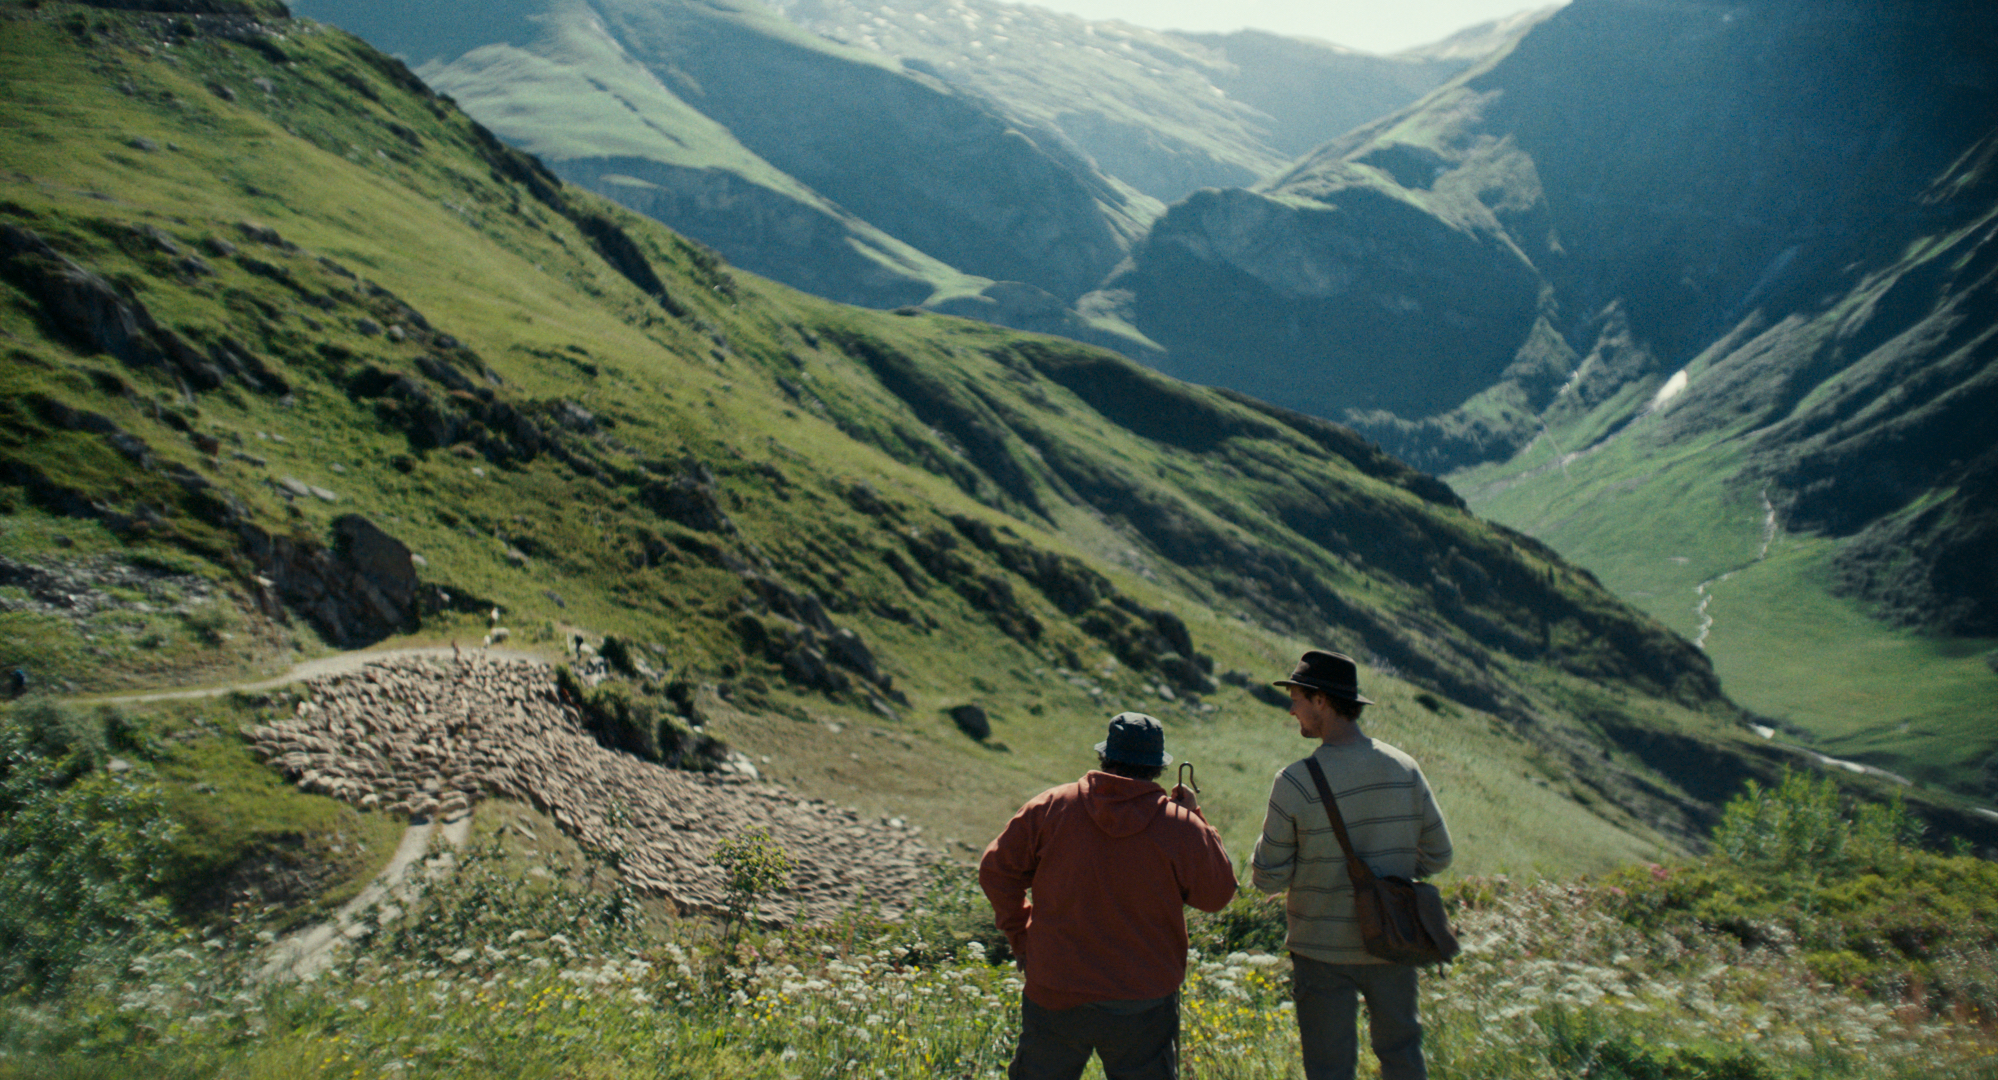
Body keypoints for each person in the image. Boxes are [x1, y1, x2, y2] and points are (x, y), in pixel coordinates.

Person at [980, 712, 1238, 1080]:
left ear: (1105, 756)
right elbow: (1216, 895)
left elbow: (995, 871)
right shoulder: (1179, 824)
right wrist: (1195, 814)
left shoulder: (1051, 807)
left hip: (1056, 986)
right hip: (1143, 998)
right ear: (1158, 767)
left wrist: (1022, 938)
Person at [1251, 650, 1454, 1080]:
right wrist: (1388, 874)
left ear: (1321, 701)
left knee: (1329, 1070)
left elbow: (1267, 878)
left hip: (1319, 950)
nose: (1291, 708)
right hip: (1394, 941)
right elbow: (1439, 854)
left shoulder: (1294, 781)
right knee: (1403, 1058)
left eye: (1298, 697)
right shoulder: (1405, 768)